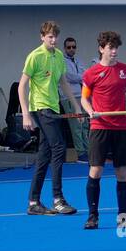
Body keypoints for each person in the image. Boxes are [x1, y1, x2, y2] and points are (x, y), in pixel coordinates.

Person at [18, 20, 83, 215]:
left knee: (44, 155)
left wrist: (76, 105)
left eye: (55, 37)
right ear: (42, 37)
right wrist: (26, 114)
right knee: (59, 147)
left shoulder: (59, 56)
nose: (53, 40)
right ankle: (58, 198)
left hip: (54, 107)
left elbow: (63, 82)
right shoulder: (35, 56)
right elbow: (22, 86)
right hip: (41, 108)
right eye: (50, 37)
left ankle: (33, 202)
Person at [79, 31, 126, 230]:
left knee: (121, 172)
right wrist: (90, 111)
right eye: (110, 48)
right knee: (95, 170)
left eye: (116, 48)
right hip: (100, 127)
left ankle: (123, 216)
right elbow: (84, 98)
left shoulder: (125, 70)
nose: (114, 51)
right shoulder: (91, 73)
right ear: (101, 49)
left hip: (121, 127)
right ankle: (92, 216)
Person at [62, 36, 90, 164]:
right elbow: (69, 77)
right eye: (69, 47)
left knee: (84, 124)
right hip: (69, 97)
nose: (72, 49)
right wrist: (81, 77)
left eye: (74, 47)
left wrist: (81, 77)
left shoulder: (78, 61)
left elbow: (87, 74)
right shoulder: (62, 61)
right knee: (76, 126)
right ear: (65, 48)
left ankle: (88, 150)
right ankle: (80, 153)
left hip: (81, 96)